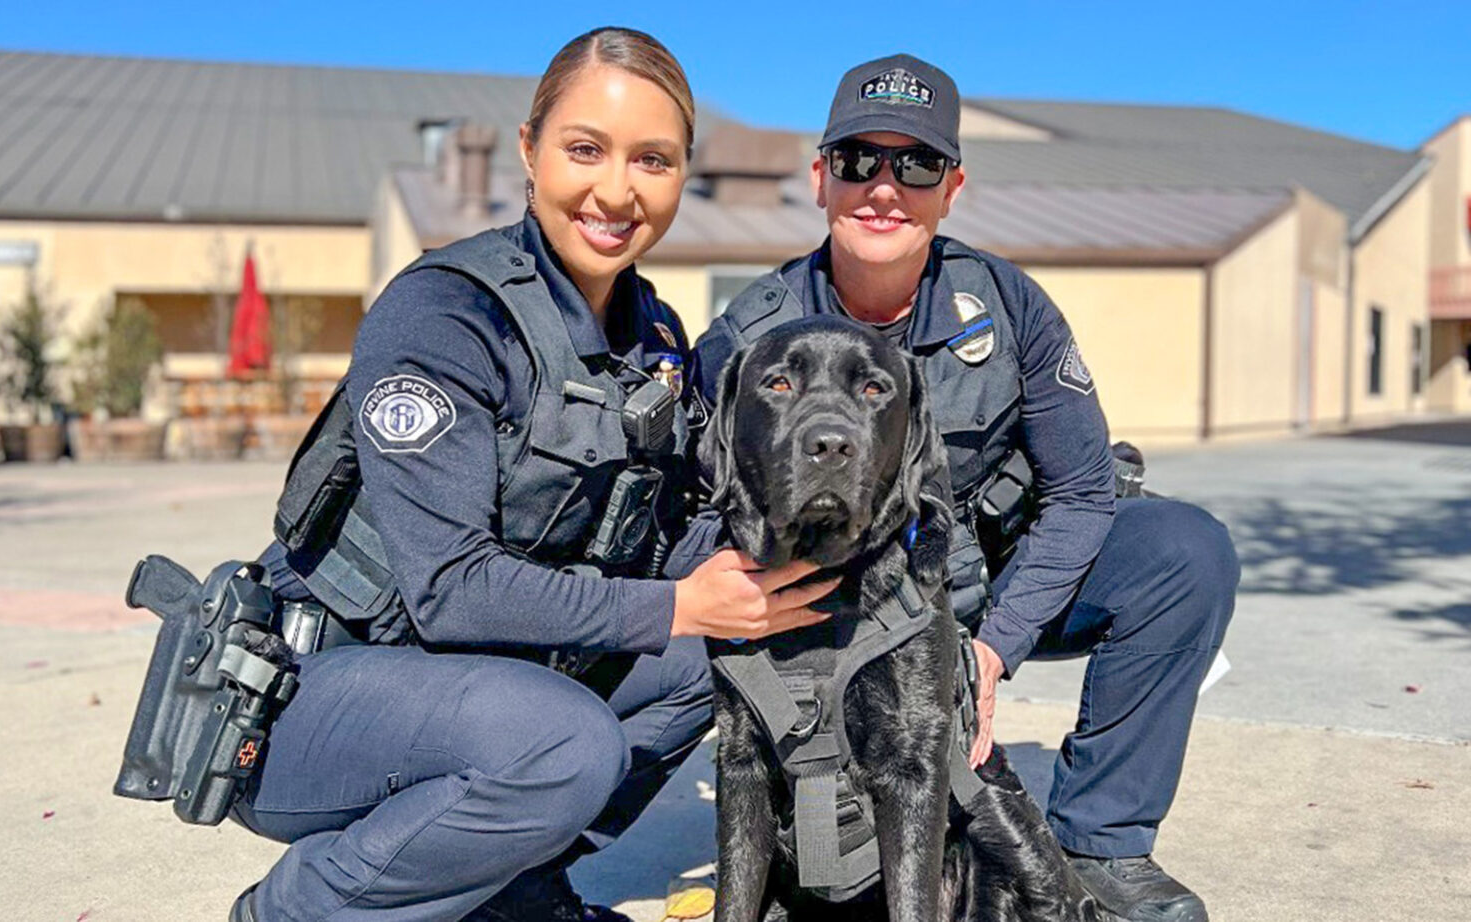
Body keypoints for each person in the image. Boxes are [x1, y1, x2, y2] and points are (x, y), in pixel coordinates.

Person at [227, 28, 837, 922]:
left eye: (652, 160)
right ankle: (303, 906)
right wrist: (678, 604)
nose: (617, 192)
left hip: (482, 686)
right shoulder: (446, 313)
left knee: (704, 658)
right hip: (317, 696)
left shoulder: (654, 337)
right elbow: (449, 591)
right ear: (529, 149)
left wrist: (813, 546)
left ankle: (513, 892)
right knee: (567, 741)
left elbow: (670, 537)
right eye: (585, 149)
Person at [692, 54, 1238, 922]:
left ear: (951, 188)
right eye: (858, 161)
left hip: (995, 585)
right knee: (670, 652)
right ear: (820, 179)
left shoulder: (1008, 306)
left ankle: (1104, 843)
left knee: (1184, 552)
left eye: (916, 164)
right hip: (834, 604)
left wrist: (992, 648)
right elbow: (706, 500)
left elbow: (1083, 491)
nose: (884, 187)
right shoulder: (753, 336)